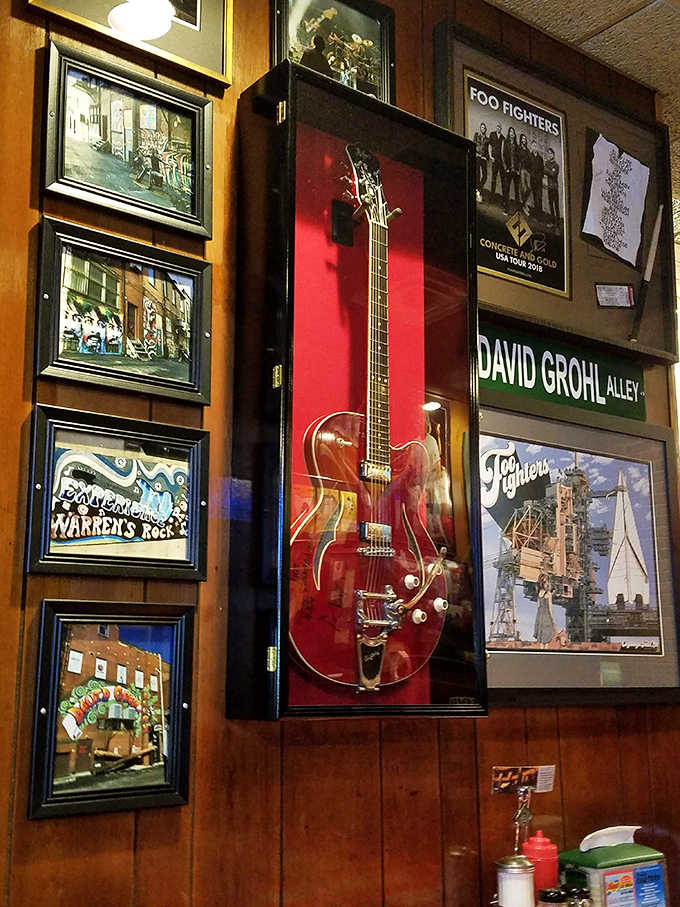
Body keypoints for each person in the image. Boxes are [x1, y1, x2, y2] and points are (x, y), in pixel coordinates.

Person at [502, 126, 521, 214]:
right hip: (509, 170)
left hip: (516, 172)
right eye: (510, 132)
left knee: (517, 192)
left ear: (514, 134)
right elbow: (503, 156)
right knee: (506, 190)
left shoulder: (517, 146)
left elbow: (519, 159)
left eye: (513, 132)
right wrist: (506, 168)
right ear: (509, 133)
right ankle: (506, 209)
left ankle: (517, 211)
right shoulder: (505, 143)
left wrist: (518, 170)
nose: (512, 133)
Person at [487, 122, 506, 206]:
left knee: (503, 180)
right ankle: (492, 197)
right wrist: (490, 156)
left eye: (500, 127)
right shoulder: (492, 134)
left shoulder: (503, 138)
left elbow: (504, 152)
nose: (498, 128)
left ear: (501, 128)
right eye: (497, 126)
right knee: (493, 179)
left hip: (501, 162)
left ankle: (504, 200)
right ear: (496, 127)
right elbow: (489, 146)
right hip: (494, 160)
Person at [544, 147, 560, 229]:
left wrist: (548, 170)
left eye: (551, 153)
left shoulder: (556, 165)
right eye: (548, 153)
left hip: (555, 188)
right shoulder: (547, 163)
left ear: (553, 154)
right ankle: (553, 222)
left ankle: (558, 225)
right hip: (549, 187)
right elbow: (545, 171)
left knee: (556, 206)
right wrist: (549, 170)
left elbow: (553, 174)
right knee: (550, 205)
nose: (549, 155)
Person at [529, 139, 545, 220]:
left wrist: (540, 177)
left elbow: (542, 170)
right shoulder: (529, 156)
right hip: (532, 180)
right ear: (531, 147)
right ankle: (536, 215)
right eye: (533, 146)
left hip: (539, 181)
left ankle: (540, 215)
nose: (535, 147)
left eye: (536, 146)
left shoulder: (540, 158)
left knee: (539, 197)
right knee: (535, 198)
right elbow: (528, 167)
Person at [473, 122, 488, 201]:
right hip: (477, 156)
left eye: (484, 128)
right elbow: (473, 144)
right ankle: (477, 193)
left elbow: (488, 151)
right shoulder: (476, 135)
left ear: (485, 129)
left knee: (485, 175)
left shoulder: (487, 139)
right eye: (482, 127)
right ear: (480, 128)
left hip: (483, 158)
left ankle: (478, 188)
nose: (483, 129)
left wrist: (486, 157)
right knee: (477, 174)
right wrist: (475, 154)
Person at [518, 133, 531, 214]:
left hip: (527, 170)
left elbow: (529, 160)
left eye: (525, 139)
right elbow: (517, 159)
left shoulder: (527, 149)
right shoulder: (519, 148)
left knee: (529, 188)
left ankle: (524, 203)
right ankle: (524, 205)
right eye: (523, 138)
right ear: (521, 139)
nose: (524, 140)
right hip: (522, 169)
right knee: (524, 188)